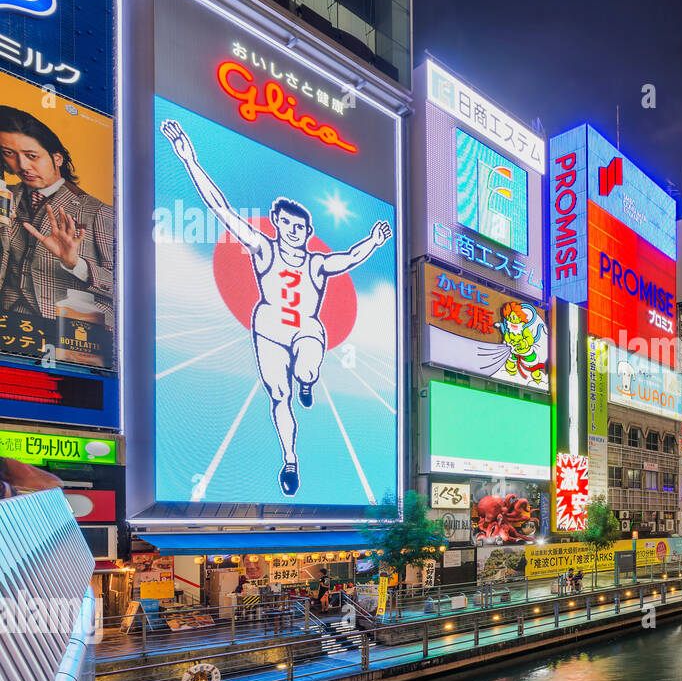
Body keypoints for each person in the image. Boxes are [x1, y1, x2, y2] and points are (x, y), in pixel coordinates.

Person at [160, 119, 392, 497]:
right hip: (267, 326)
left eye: (299, 226)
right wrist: (188, 158)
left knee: (306, 365)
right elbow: (222, 210)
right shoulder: (263, 248)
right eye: (286, 224)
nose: (293, 231)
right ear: (279, 225)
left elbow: (348, 258)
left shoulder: (316, 262)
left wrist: (374, 242)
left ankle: (307, 380)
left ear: (307, 229)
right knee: (278, 397)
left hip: (307, 328)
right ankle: (290, 461)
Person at [0, 106, 115, 349]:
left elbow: (124, 288)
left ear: (57, 158)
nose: (22, 166)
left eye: (32, 156)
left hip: (69, 338)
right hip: (9, 331)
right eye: (9, 153)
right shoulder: (5, 197)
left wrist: (76, 264)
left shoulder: (97, 210)